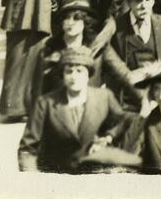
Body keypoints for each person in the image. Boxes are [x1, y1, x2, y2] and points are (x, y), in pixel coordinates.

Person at [18, 45, 133, 173]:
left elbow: (123, 121)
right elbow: (27, 148)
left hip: (93, 175)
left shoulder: (104, 97)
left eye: (79, 71)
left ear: (88, 74)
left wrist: (108, 137)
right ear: (62, 75)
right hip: (56, 175)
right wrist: (32, 176)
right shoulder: (46, 103)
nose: (74, 76)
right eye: (68, 71)